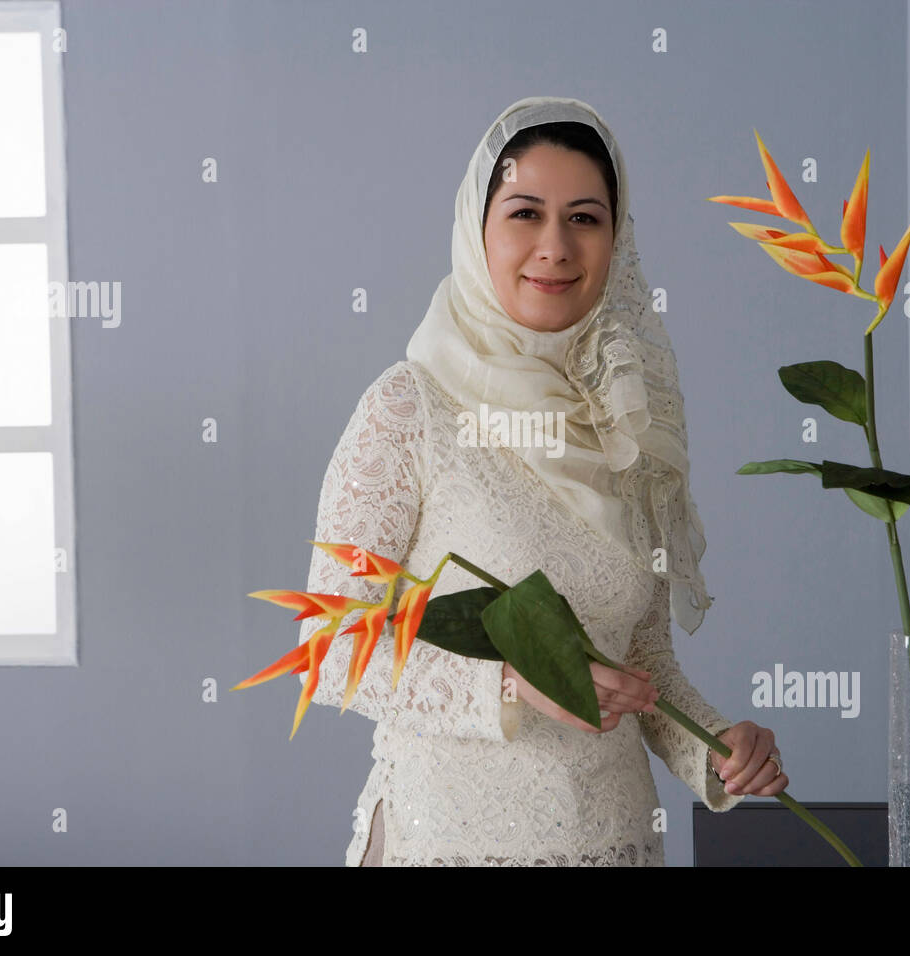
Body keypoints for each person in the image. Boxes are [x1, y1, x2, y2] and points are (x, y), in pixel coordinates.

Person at [298, 96, 788, 867]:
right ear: (478, 227)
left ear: (616, 242)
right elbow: (329, 645)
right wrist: (513, 688)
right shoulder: (411, 408)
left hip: (617, 841)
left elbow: (644, 665)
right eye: (525, 212)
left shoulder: (629, 424)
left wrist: (718, 749)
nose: (554, 247)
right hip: (447, 844)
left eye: (585, 218)